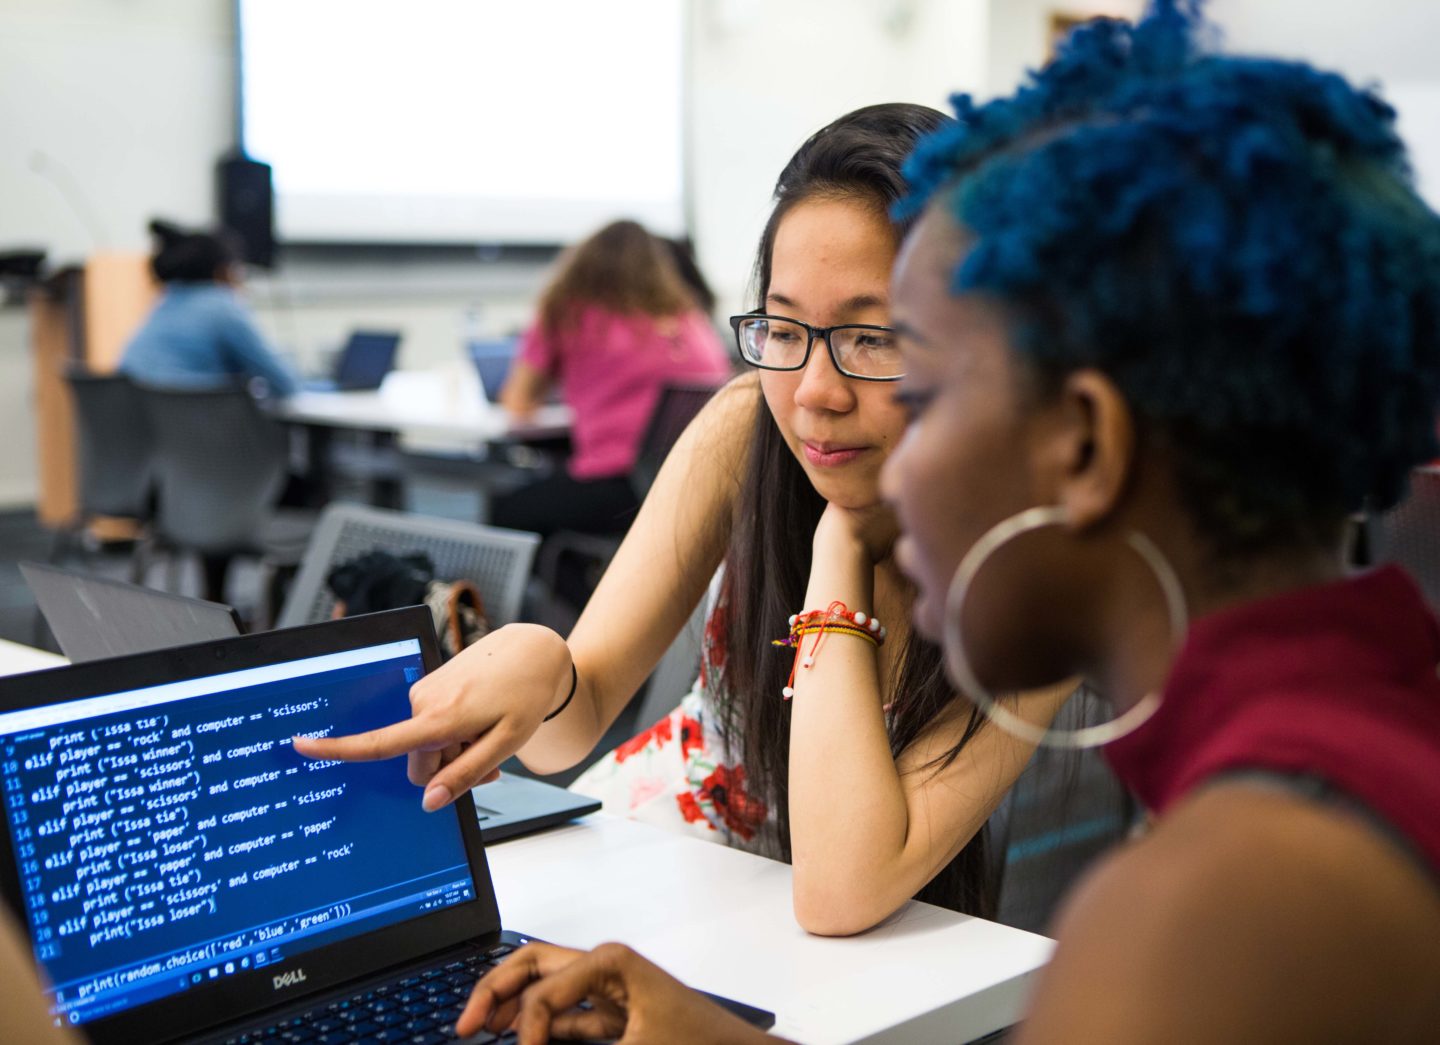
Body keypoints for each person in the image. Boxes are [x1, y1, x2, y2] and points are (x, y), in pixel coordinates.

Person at [447, 1, 1440, 1041]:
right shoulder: (1347, 748)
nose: (870, 436)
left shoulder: (1210, 903)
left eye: (923, 367)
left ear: (1084, 444)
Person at [298, 105, 1076, 932]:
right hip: (643, 865)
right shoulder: (745, 426)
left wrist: (841, 540)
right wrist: (549, 669)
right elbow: (576, 726)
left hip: (844, 952)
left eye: (873, 336)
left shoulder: (1045, 576)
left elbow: (840, 889)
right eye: (783, 328)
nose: (813, 390)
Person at [491, 219, 731, 546]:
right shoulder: (688, 317)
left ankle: (579, 595)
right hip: (696, 486)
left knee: (506, 509)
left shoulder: (568, 312)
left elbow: (518, 401)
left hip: (621, 487)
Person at [119, 219, 298, 397]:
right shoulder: (223, 308)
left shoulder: (166, 301)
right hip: (198, 420)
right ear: (224, 270)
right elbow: (284, 383)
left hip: (145, 421)